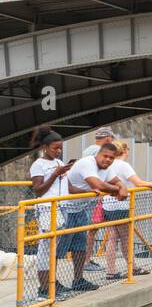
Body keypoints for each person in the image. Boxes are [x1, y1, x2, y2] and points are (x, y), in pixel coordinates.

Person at [66, 143, 128, 290]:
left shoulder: (106, 168)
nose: (107, 160)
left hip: (79, 209)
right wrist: (117, 189)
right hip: (63, 208)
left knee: (80, 247)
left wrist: (123, 187)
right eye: (105, 156)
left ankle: (78, 280)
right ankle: (49, 288)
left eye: (111, 158)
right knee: (57, 250)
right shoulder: (87, 163)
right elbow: (98, 184)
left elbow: (116, 180)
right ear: (97, 155)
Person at [28, 126, 77, 296]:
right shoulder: (38, 165)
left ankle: (52, 282)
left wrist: (90, 191)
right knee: (46, 248)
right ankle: (44, 287)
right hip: (47, 208)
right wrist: (55, 174)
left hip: (61, 207)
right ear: (45, 148)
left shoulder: (59, 163)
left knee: (53, 249)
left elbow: (67, 186)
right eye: (55, 148)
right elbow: (38, 190)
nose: (58, 151)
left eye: (60, 148)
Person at [102, 140, 152, 279]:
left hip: (108, 205)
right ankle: (132, 267)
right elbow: (138, 183)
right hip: (121, 205)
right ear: (125, 151)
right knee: (126, 238)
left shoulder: (106, 165)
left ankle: (111, 270)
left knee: (112, 238)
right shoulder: (123, 165)